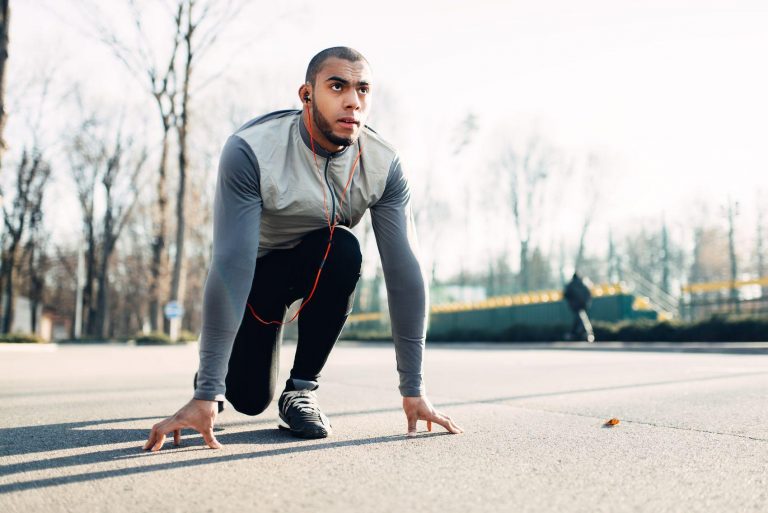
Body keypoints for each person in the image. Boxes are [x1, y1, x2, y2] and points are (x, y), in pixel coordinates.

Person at [144, 47, 463, 452]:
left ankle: (300, 389)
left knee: (342, 246)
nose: (353, 100)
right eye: (337, 86)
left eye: (363, 89)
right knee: (248, 399)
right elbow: (230, 265)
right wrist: (208, 390)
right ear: (306, 95)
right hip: (257, 283)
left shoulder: (383, 164)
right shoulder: (251, 150)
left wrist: (413, 389)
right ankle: (225, 376)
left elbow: (405, 273)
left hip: (321, 265)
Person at [563, 272, 595, 343]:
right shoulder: (584, 283)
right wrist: (587, 302)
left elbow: (566, 294)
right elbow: (589, 294)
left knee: (580, 318)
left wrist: (571, 301)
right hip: (584, 305)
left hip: (575, 305)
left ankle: (579, 334)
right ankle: (583, 334)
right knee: (582, 318)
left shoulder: (571, 284)